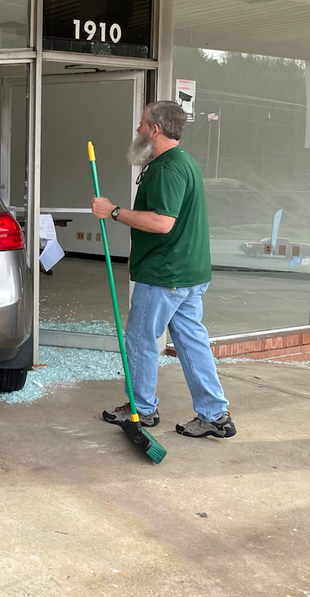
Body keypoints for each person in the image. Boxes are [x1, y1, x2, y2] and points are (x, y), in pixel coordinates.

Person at [91, 100, 235, 439]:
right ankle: (215, 414)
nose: (138, 129)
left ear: (155, 129)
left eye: (143, 123)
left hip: (164, 275)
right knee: (190, 342)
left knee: (141, 338)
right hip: (187, 272)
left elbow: (162, 222)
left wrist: (112, 212)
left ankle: (142, 409)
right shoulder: (182, 162)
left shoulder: (169, 167)